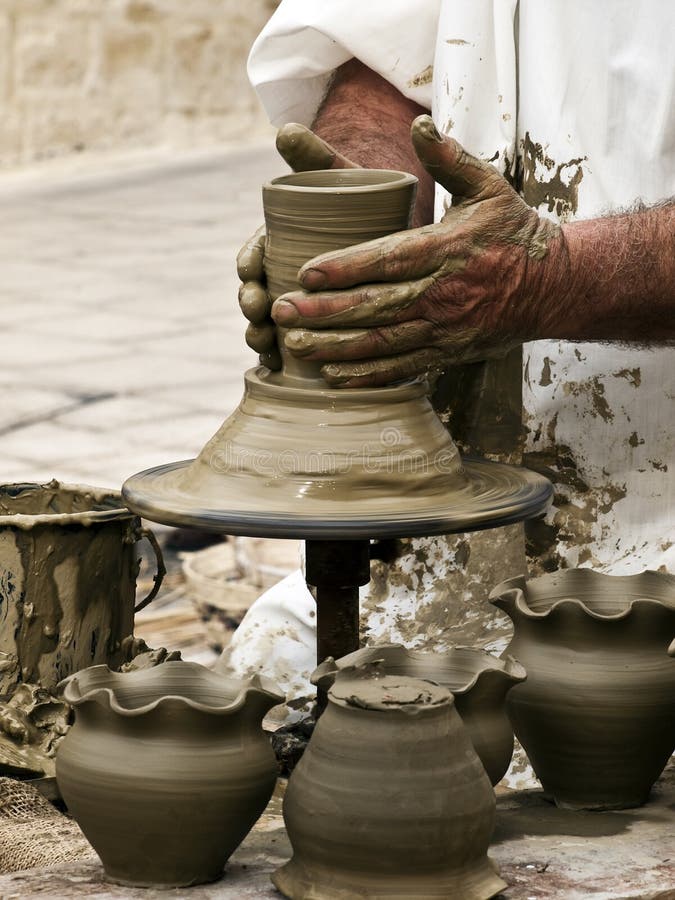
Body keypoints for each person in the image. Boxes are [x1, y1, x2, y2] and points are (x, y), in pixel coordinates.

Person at [225, 3, 674, 737]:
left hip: (658, 534)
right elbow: (388, 57)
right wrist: (365, 222)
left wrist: (558, 279)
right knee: (270, 675)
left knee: (604, 734)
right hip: (458, 510)